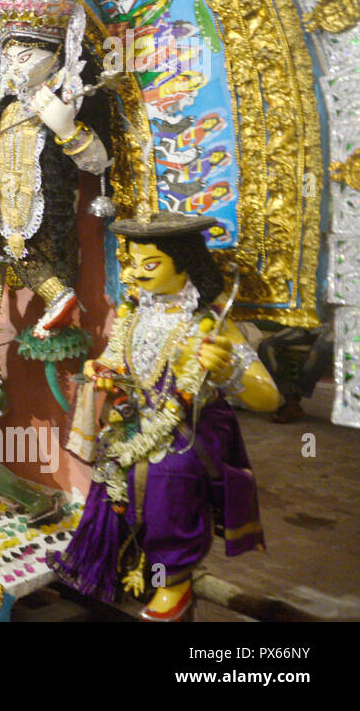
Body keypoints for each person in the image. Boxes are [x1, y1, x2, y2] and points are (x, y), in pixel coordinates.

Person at [50, 212, 280, 621]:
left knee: (168, 473)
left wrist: (227, 371)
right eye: (132, 263)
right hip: (140, 417)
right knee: (112, 464)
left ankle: (172, 582)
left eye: (150, 264)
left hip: (192, 423)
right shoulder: (133, 314)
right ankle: (119, 558)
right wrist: (99, 371)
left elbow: (269, 398)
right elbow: (113, 359)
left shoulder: (208, 323)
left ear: (186, 263)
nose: (137, 274)